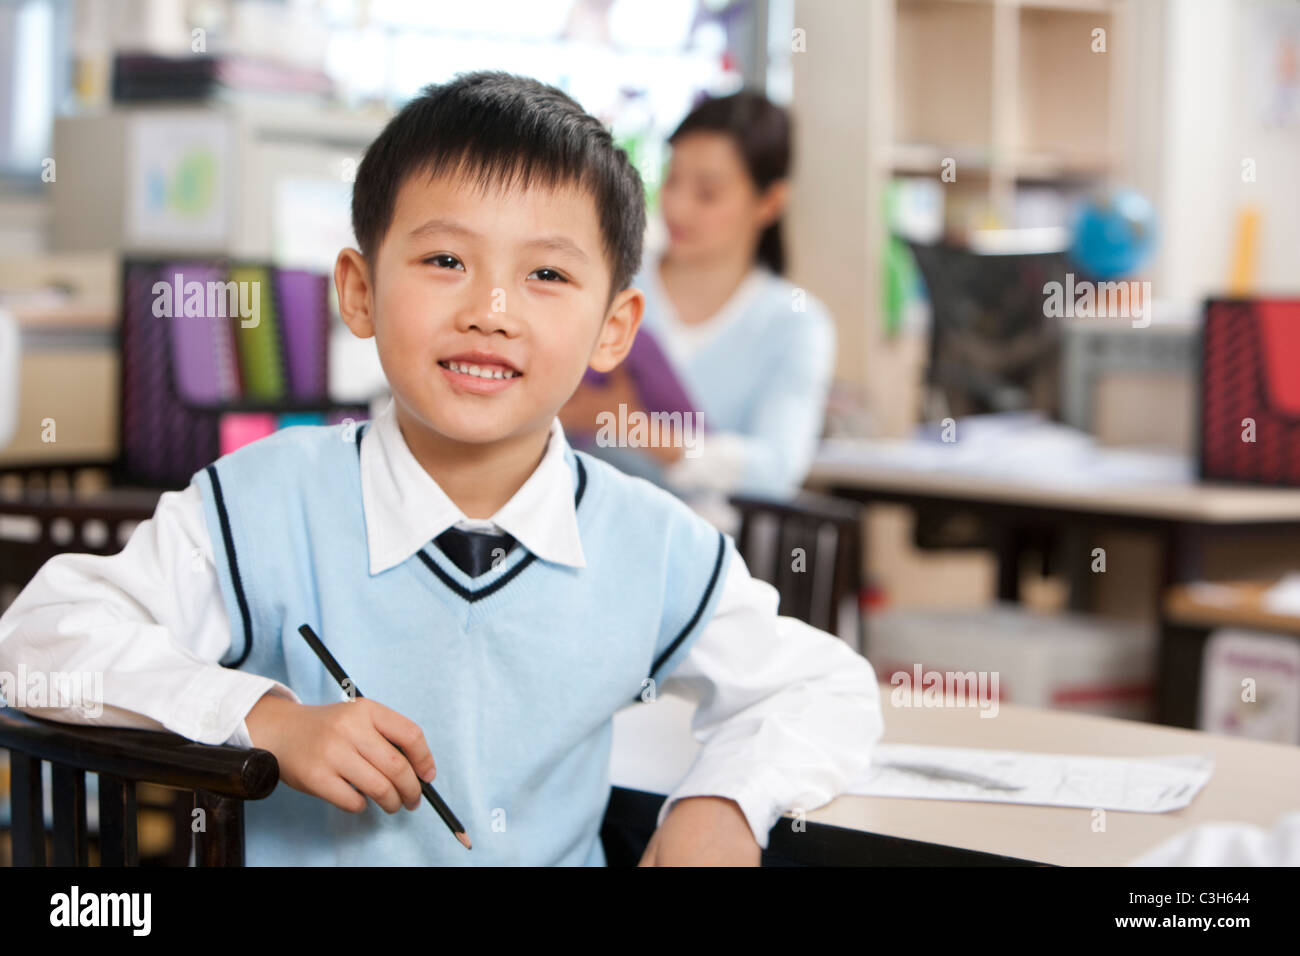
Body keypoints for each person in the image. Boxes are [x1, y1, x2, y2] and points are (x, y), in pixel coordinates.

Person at [0, 72, 880, 867]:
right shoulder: (262, 503)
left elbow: (824, 685)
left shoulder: (652, 544)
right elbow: (39, 641)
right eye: (445, 261)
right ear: (359, 291)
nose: (491, 312)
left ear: (615, 329)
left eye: (544, 273)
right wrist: (264, 718)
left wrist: (724, 800)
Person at [560, 89, 836, 506]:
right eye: (672, 180)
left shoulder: (794, 324)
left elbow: (777, 470)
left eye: (707, 193)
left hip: (710, 547)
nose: (678, 207)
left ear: (770, 202)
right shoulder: (611, 280)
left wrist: (625, 424)